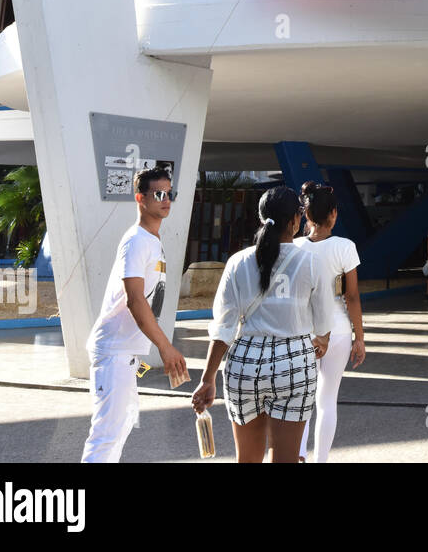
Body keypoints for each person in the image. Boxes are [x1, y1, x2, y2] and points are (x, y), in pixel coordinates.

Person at [191, 186, 334, 463]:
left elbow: (223, 327)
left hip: (244, 362)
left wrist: (207, 378)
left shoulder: (237, 262)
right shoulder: (313, 262)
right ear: (296, 219)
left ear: (261, 218)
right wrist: (322, 341)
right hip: (294, 362)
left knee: (246, 459)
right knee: (286, 459)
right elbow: (324, 323)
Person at [82, 167, 190, 462]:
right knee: (106, 436)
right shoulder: (136, 241)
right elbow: (135, 300)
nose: (166, 199)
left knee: (118, 430)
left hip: (125, 355)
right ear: (140, 198)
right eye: (159, 194)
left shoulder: (151, 240)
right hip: (114, 352)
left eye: (170, 193)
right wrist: (165, 347)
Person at [294, 181, 365, 463]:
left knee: (300, 399)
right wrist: (359, 337)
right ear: (333, 214)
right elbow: (352, 297)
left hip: (302, 332)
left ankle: (297, 455)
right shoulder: (345, 247)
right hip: (337, 330)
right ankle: (320, 460)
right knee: (327, 401)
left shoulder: (295, 247)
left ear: (306, 215)